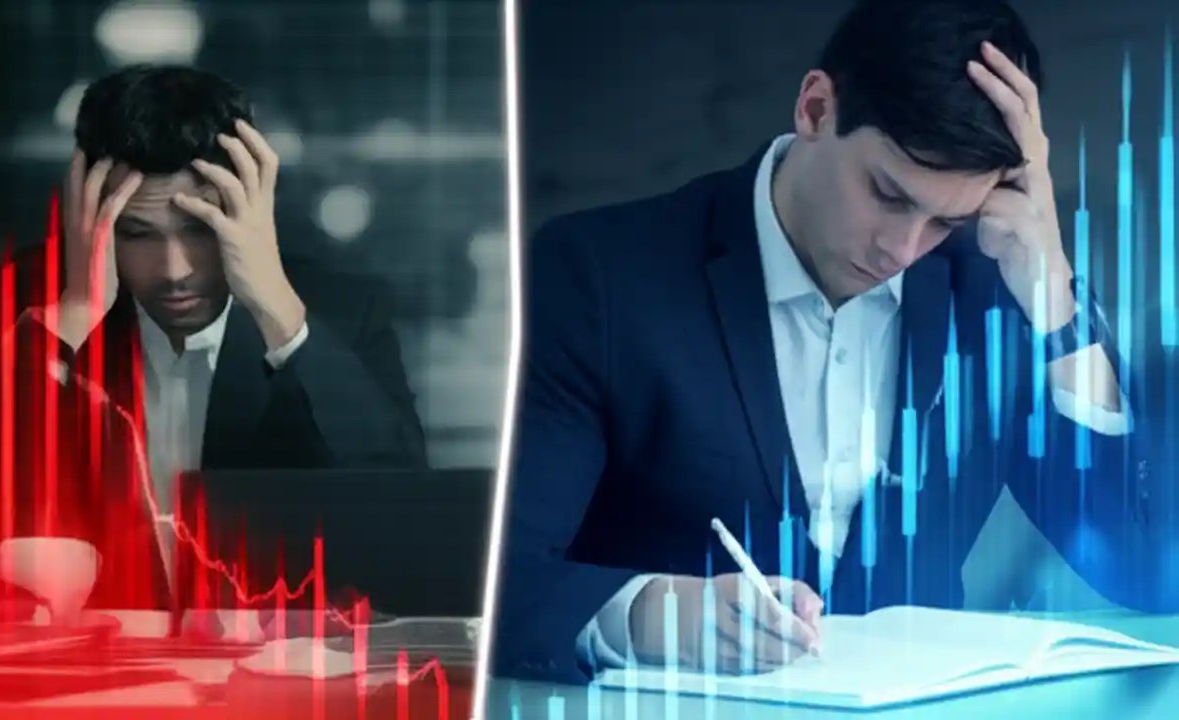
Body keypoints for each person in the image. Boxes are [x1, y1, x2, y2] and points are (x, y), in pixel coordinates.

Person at [492, 0, 1179, 683]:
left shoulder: (993, 290)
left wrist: (1054, 294)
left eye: (946, 220)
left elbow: (1145, 567)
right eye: (888, 193)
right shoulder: (604, 276)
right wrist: (655, 615)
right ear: (816, 109)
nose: (903, 249)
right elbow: (502, 586)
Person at [0, 65, 426, 611]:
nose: (174, 269)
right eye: (136, 234)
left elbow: (405, 505)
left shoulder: (341, 309)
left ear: (248, 207)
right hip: (93, 674)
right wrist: (75, 316)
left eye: (202, 228)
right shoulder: (30, 304)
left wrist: (280, 313)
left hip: (274, 676)